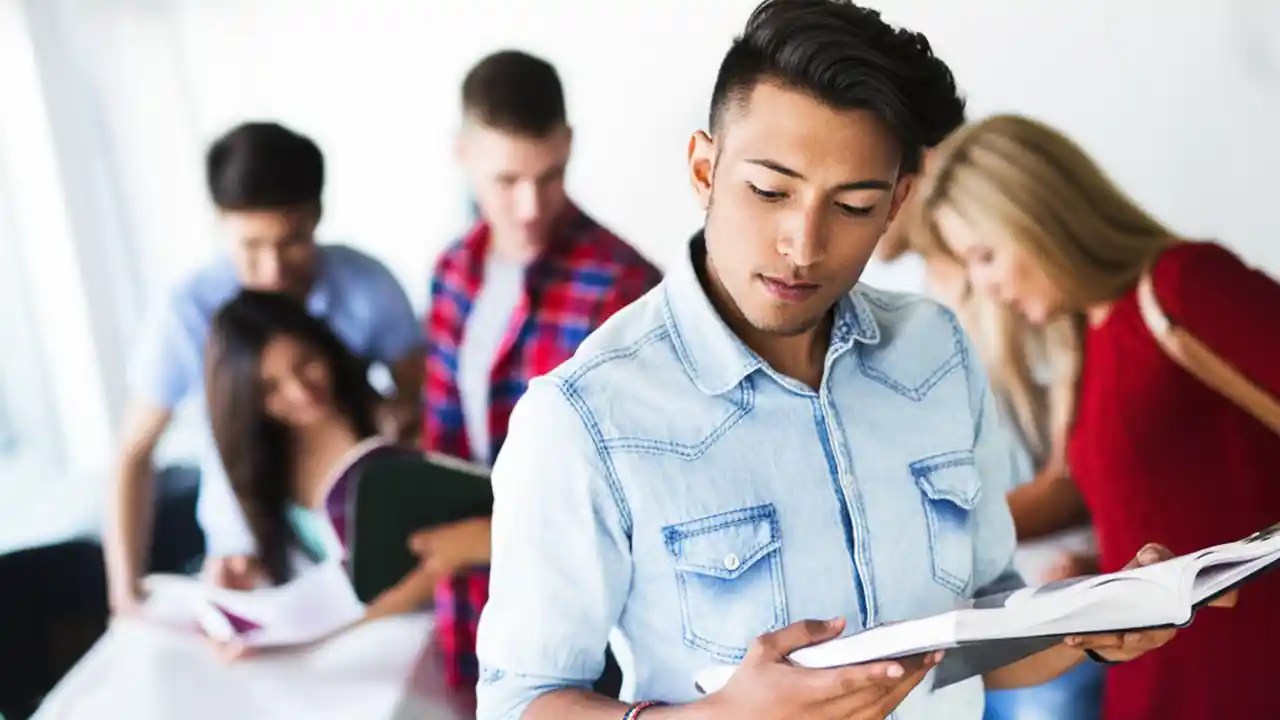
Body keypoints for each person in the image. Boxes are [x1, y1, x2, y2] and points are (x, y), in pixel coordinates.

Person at [475, 3, 1188, 719]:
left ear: (896, 203)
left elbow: (976, 634)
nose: (804, 243)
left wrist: (1087, 627)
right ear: (704, 168)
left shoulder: (935, 352)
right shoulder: (583, 417)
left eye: (852, 205)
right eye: (770, 190)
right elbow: (518, 704)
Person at [912, 113, 1279, 719]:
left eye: (985, 256)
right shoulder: (1085, 340)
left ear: (1036, 216)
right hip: (1153, 684)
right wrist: (1106, 567)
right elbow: (1147, 491)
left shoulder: (1184, 285)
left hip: (1248, 675)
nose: (987, 286)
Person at [412, 50, 661, 687]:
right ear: (461, 154)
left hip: (587, 645)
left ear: (570, 146)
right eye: (506, 181)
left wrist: (487, 538)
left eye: (549, 177)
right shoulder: (450, 275)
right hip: (470, 618)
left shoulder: (626, 289)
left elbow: (647, 497)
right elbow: (442, 447)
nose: (530, 206)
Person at [105, 122, 424, 613]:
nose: (273, 270)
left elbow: (423, 404)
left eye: (292, 241)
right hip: (246, 562)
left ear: (318, 215)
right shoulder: (187, 311)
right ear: (219, 223)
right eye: (250, 246)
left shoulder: (368, 287)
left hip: (365, 551)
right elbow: (135, 452)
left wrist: (392, 420)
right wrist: (124, 593)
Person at [908, 250, 1103, 719]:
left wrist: (933, 542)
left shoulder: (1029, 301)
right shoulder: (919, 304)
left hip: (1048, 607)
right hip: (955, 623)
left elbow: (1074, 482)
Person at [204, 291, 431, 641]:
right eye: (270, 387)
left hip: (417, 637)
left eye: (305, 363)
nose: (300, 391)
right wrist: (243, 581)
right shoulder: (261, 469)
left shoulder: (394, 432)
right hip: (336, 651)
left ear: (325, 348)